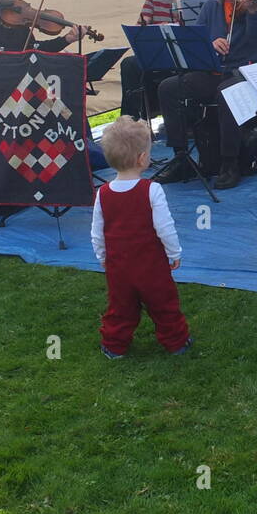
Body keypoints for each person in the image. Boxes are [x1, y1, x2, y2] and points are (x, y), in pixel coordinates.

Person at [154, 0, 257, 189]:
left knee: (226, 93)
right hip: (216, 70)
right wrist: (210, 44)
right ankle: (181, 156)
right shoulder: (211, 5)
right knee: (168, 88)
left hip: (245, 72)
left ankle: (230, 163)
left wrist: (253, 11)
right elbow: (195, 41)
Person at [91, 116, 191, 357]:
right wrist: (174, 253)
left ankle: (114, 346)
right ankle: (176, 342)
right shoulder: (151, 190)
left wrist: (102, 256)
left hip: (119, 268)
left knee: (120, 307)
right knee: (164, 304)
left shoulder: (102, 193)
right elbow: (164, 227)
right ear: (142, 158)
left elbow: (97, 232)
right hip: (152, 267)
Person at [119, 0, 195, 120]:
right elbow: (140, 28)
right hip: (161, 56)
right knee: (129, 64)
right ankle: (131, 121)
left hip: (189, 57)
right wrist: (156, 30)